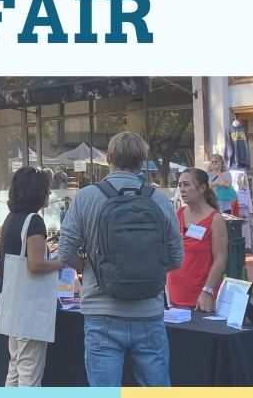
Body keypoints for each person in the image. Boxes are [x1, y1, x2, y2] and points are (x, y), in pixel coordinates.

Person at [58, 132, 184, 387]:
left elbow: (65, 252)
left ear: (109, 158)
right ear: (141, 162)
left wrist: (91, 269)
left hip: (101, 311)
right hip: (148, 310)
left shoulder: (86, 197)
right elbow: (176, 258)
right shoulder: (158, 200)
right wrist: (148, 271)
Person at [0, 166, 64, 387]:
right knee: (29, 371)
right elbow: (36, 264)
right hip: (29, 307)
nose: (50, 194)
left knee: (15, 367)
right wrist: (61, 262)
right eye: (46, 189)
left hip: (11, 302)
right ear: (37, 193)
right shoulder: (34, 221)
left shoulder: (11, 218)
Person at [165, 168, 227, 312]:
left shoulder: (215, 219)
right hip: (174, 296)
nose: (182, 189)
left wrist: (207, 291)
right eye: (180, 185)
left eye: (186, 185)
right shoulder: (177, 215)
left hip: (201, 299)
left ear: (201, 189)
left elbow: (220, 260)